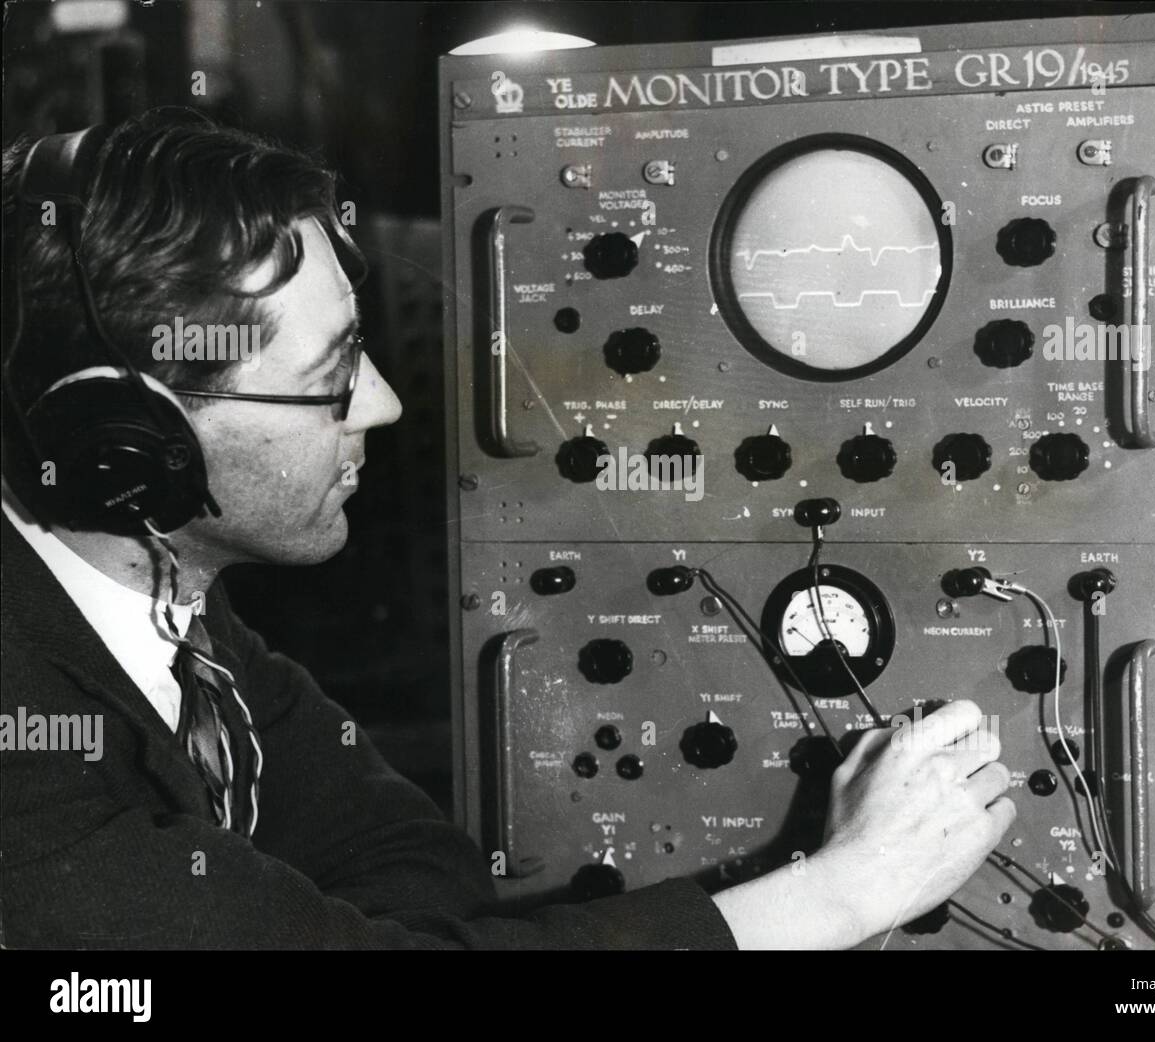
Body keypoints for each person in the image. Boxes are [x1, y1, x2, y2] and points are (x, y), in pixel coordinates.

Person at [0, 109, 1014, 949]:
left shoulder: (165, 616)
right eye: (329, 380)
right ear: (122, 442)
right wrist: (841, 893)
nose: (384, 405)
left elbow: (407, 851)